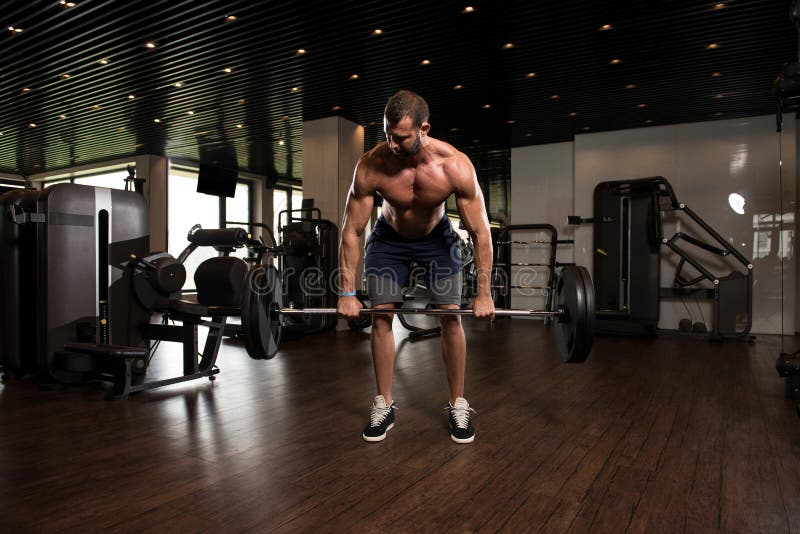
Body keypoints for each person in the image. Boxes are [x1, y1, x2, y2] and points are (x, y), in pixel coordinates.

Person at [337, 89, 495, 444]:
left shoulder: (455, 166)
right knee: (381, 316)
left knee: (450, 316)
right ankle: (384, 404)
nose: (392, 144)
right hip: (388, 240)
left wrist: (484, 293)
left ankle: (458, 403)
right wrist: (346, 292)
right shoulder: (371, 165)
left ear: (424, 129)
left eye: (401, 137)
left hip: (437, 240)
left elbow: (481, 233)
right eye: (388, 134)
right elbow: (350, 231)